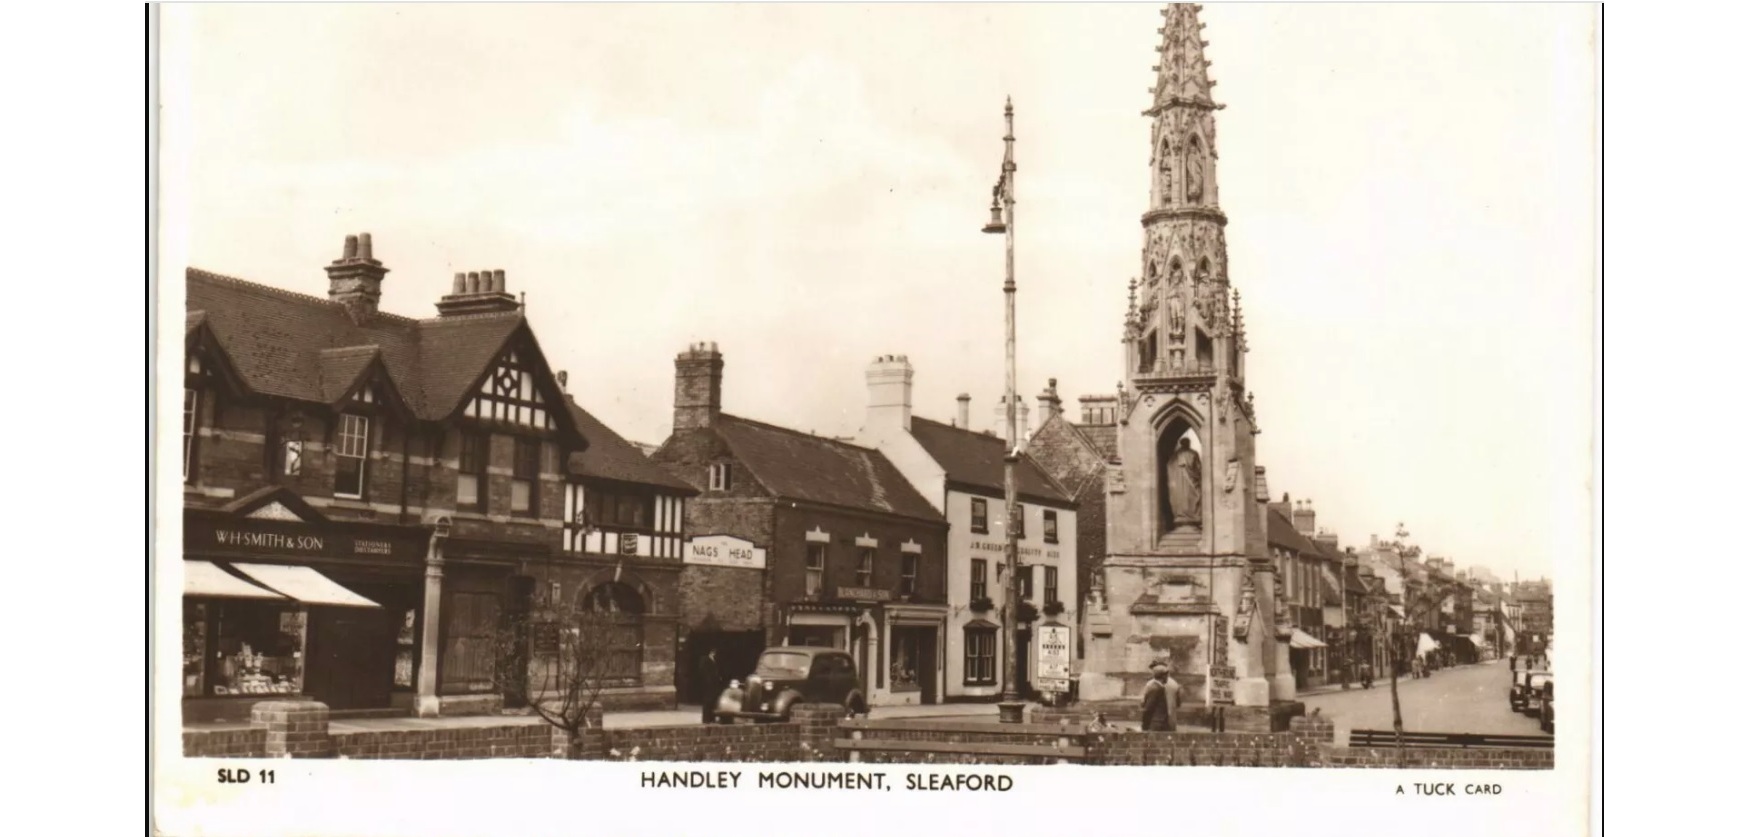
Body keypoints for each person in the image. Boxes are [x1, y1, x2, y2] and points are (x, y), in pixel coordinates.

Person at [1139, 662, 1182, 732]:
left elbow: (1145, 705)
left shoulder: (1150, 685)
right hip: (1168, 721)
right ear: (1163, 676)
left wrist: (1145, 725)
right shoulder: (1174, 684)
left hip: (1157, 723)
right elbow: (1178, 703)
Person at [697, 647, 722, 724]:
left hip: (713, 685)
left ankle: (711, 718)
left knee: (712, 701)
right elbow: (703, 671)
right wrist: (708, 680)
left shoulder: (714, 660)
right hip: (708, 685)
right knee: (707, 701)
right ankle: (706, 719)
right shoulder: (705, 659)